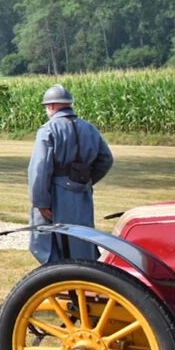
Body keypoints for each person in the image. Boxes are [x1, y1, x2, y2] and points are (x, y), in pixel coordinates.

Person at [28, 84, 114, 264]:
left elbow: (40, 169)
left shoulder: (48, 129)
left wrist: (40, 202)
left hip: (57, 194)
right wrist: (87, 180)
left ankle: (59, 276)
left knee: (49, 243)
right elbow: (105, 159)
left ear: (51, 106)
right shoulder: (89, 128)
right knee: (83, 239)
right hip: (82, 193)